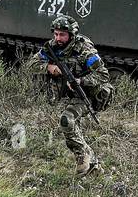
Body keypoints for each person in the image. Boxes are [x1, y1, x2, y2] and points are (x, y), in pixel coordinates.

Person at [38, 14, 112, 177]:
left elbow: (103, 75)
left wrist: (80, 80)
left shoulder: (85, 50)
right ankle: (94, 165)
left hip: (90, 93)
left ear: (71, 35)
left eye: (62, 35)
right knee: (72, 126)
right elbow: (32, 63)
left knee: (67, 120)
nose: (58, 38)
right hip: (69, 95)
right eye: (56, 34)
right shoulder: (51, 47)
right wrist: (48, 68)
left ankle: (82, 158)